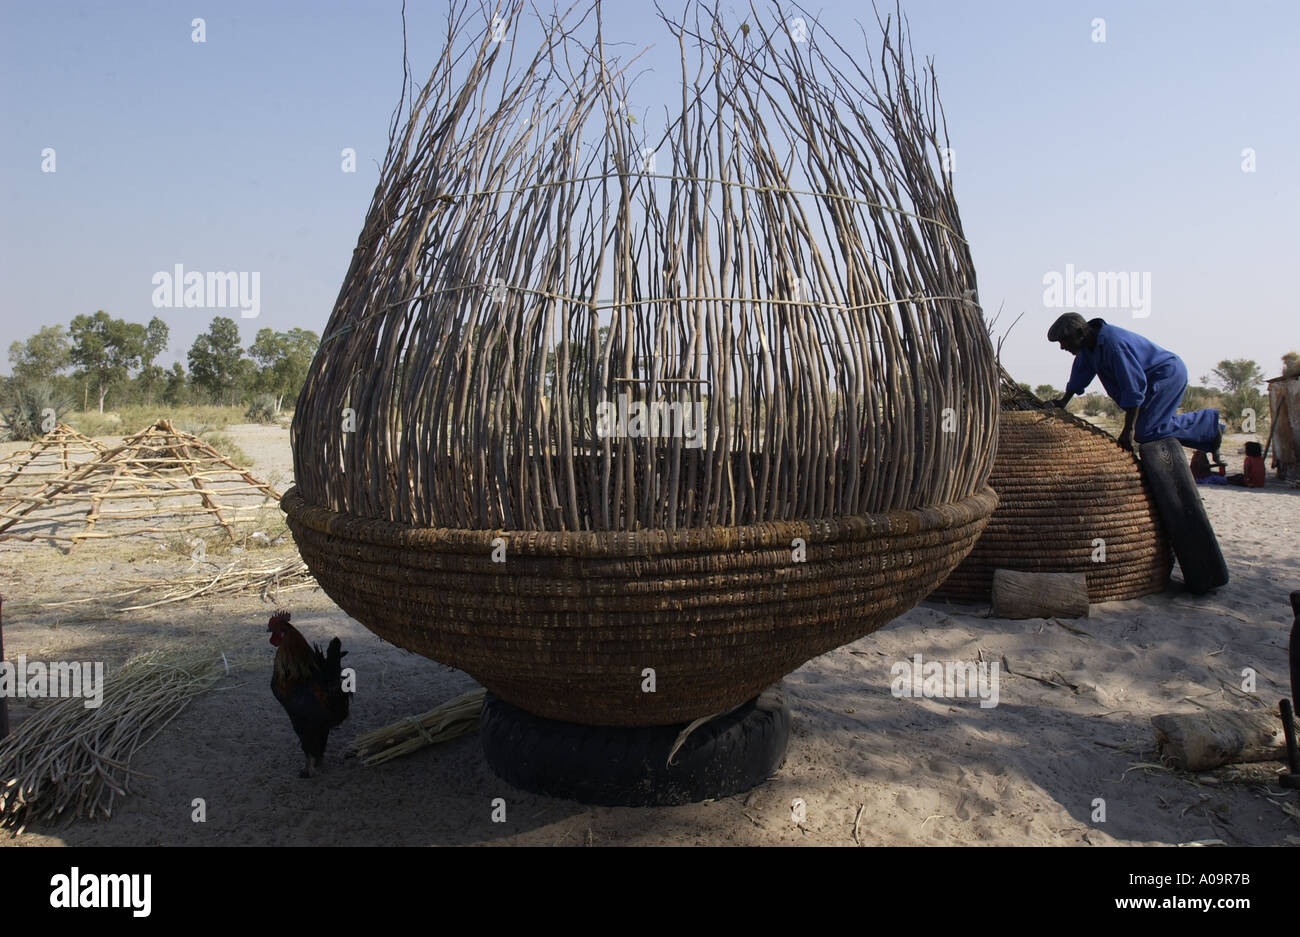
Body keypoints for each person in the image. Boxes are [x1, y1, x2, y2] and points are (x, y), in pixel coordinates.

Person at [1046, 313, 1223, 457]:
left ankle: (1207, 424)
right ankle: (1208, 435)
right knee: (1150, 430)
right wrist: (1063, 402)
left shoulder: (1114, 346)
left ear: (1080, 333)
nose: (1062, 347)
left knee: (1146, 431)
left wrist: (1127, 430)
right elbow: (1079, 375)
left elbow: (1133, 388)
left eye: (1064, 341)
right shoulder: (1089, 347)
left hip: (1166, 375)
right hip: (1152, 380)